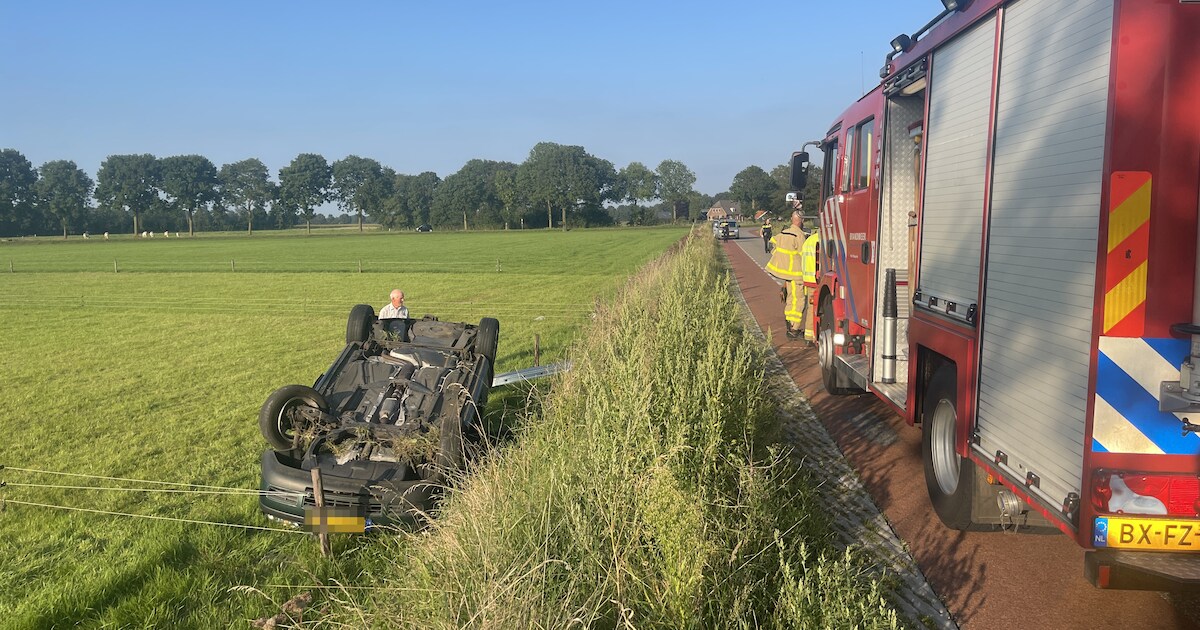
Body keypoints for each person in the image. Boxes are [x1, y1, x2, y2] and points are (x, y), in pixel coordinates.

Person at [765, 206, 808, 339]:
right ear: (801, 221)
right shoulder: (800, 236)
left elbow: (772, 244)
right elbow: (804, 255)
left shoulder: (783, 233)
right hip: (797, 275)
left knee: (790, 299)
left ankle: (789, 323)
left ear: (791, 219)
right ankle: (794, 329)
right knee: (799, 300)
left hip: (785, 274)